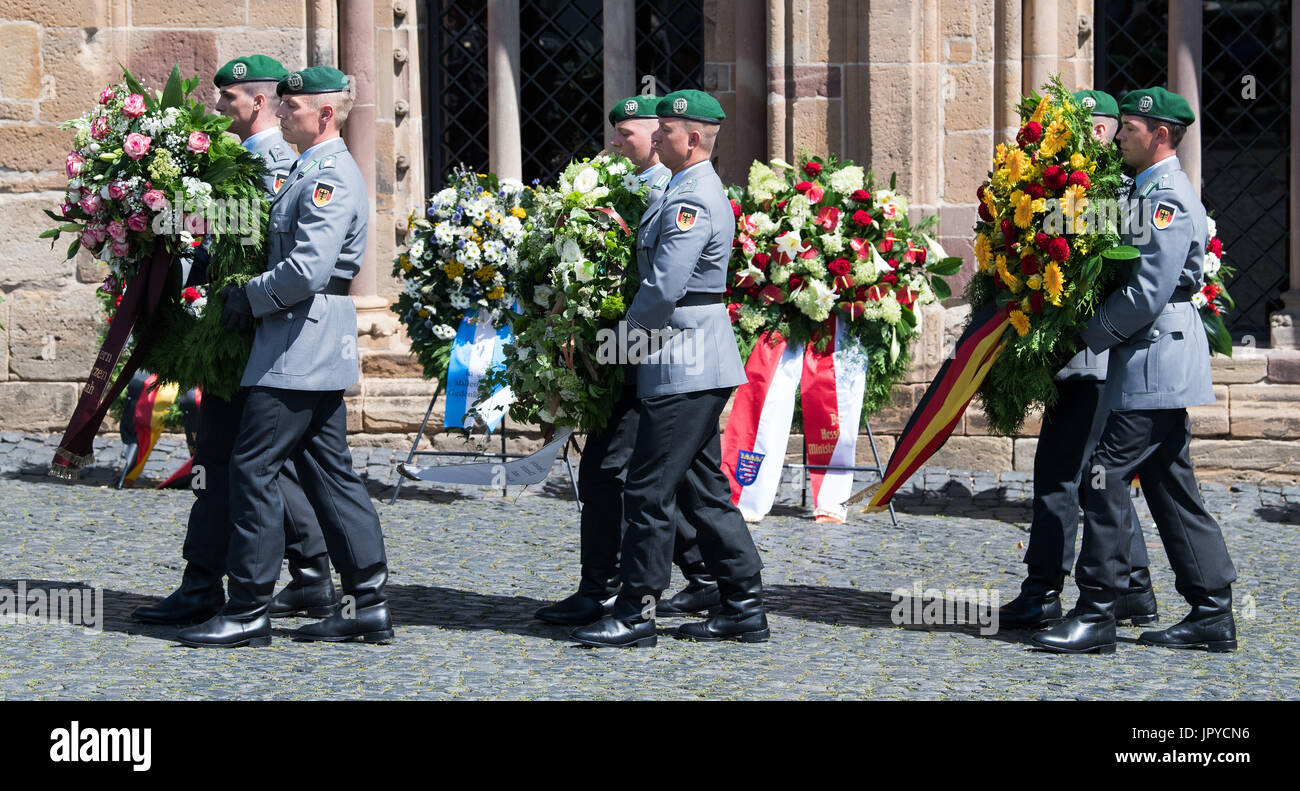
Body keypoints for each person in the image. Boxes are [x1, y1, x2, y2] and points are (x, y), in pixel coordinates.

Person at [178, 66, 393, 648]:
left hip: (300, 343)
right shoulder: (309, 169)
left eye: (292, 105)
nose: (283, 111)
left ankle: (248, 606)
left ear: (325, 114)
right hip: (307, 340)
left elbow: (309, 269)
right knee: (330, 474)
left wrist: (247, 297)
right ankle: (365, 603)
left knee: (253, 468)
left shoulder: (328, 177)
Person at [131, 55, 337, 627]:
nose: (220, 108)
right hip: (237, 327)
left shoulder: (272, 164)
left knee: (228, 460)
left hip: (246, 331)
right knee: (262, 463)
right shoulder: (244, 159)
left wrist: (180, 231)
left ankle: (214, 586)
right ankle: (313, 574)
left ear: (258, 101)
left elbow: (249, 247)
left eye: (229, 98)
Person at [1033, 87, 1238, 654]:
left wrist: (1086, 333)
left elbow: (1146, 291)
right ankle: (1212, 610)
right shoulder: (1144, 190)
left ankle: (1098, 610)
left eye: (1129, 127)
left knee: (1101, 476)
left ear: (1161, 136)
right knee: (1173, 486)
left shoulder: (1165, 197)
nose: (1119, 134)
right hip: (1151, 360)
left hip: (1154, 359)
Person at [571, 90, 768, 648]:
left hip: (684, 360)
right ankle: (743, 606)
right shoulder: (684, 188)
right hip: (686, 360)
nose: (656, 137)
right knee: (704, 492)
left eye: (667, 131)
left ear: (695, 138)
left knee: (648, 490)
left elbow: (663, 288)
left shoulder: (694, 199)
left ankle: (636, 613)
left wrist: (621, 344)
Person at [534, 95, 720, 626]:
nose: (617, 144)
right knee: (651, 477)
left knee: (629, 476)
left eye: (632, 134)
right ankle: (700, 581)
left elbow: (661, 280)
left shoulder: (679, 190)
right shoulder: (643, 187)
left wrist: (625, 337)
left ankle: (624, 594)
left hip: (651, 350)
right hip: (629, 349)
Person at [999, 89, 1156, 630]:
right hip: (1079, 356)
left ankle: (1044, 588)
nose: (1086, 137)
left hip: (1096, 355)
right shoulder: (1060, 186)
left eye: (1099, 127)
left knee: (1063, 476)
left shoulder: (1113, 193)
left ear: (1116, 131)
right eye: (1076, 127)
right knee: (1090, 478)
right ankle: (1134, 588)